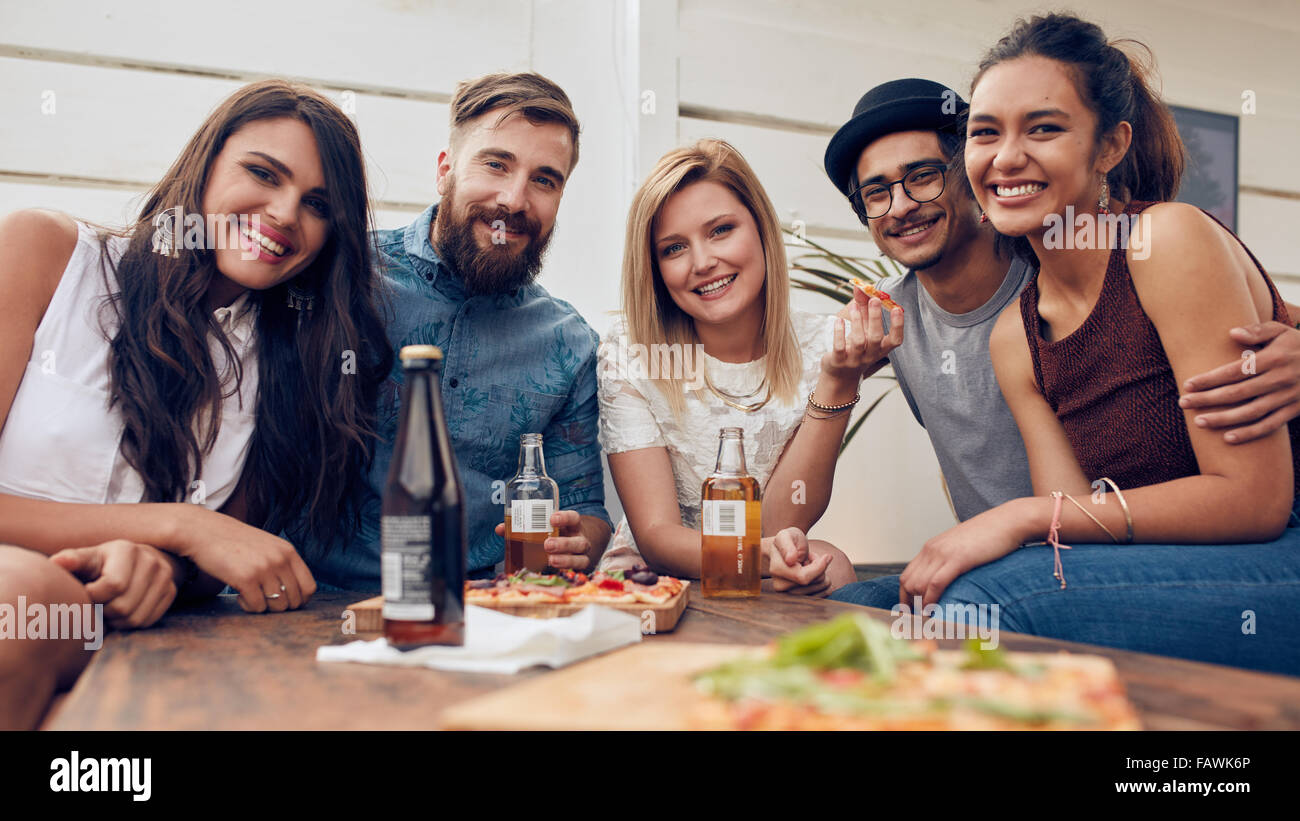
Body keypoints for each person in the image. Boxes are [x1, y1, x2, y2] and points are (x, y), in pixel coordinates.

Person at [836, 13, 1300, 674]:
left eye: (1044, 128)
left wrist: (1022, 517)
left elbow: (1254, 500)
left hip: (1278, 555)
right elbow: (1074, 536)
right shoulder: (1016, 337)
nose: (1006, 156)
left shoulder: (1164, 242)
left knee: (979, 607)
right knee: (862, 605)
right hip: (1154, 566)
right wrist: (1027, 524)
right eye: (985, 133)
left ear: (1109, 147)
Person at [0, 79, 392, 727]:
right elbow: (210, 535)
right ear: (204, 163)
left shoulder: (294, 376)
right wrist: (181, 525)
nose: (285, 213)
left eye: (318, 204)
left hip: (122, 640)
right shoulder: (47, 253)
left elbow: (214, 565)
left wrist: (158, 565)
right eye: (262, 173)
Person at [304, 72, 613, 589]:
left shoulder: (570, 343)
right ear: (445, 170)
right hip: (308, 605)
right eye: (495, 164)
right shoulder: (340, 275)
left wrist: (576, 539)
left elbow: (586, 508)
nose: (514, 201)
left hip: (482, 610)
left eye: (544, 179)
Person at [597, 139, 860, 594]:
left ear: (759, 227)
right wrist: (764, 556)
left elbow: (781, 520)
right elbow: (657, 536)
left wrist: (838, 380)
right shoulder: (631, 355)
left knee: (834, 566)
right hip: (653, 577)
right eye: (674, 248)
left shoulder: (824, 345)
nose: (703, 262)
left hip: (764, 562)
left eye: (720, 230)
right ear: (655, 268)